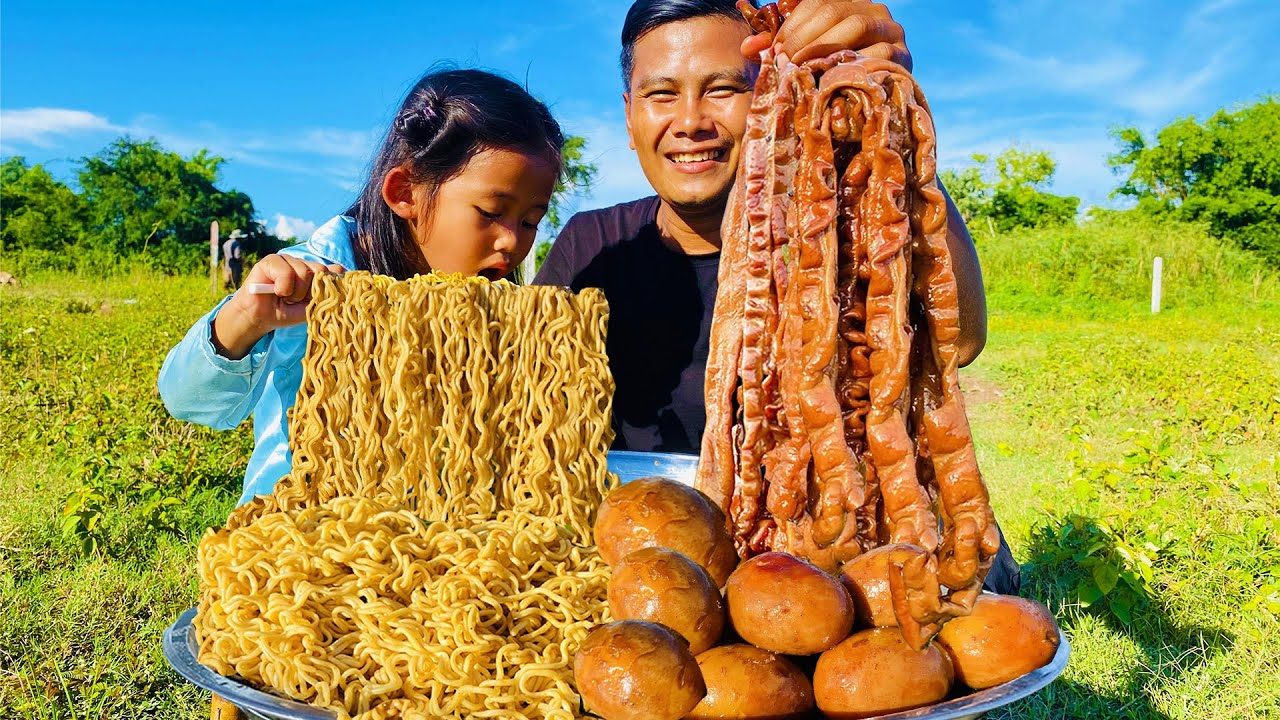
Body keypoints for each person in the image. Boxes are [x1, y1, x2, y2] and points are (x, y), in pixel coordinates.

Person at [536, 0, 1019, 593]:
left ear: (768, 95)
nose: (690, 121)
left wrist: (886, 115)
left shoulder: (834, 234)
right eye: (662, 95)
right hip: (658, 542)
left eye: (722, 90)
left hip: (827, 536)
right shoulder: (592, 247)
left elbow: (960, 338)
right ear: (629, 118)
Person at [159, 68, 563, 506]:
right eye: (489, 212)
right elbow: (189, 402)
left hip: (436, 536)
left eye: (530, 222)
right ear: (405, 191)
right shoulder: (310, 284)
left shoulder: (496, 312)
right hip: (300, 534)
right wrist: (244, 318)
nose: (512, 240)